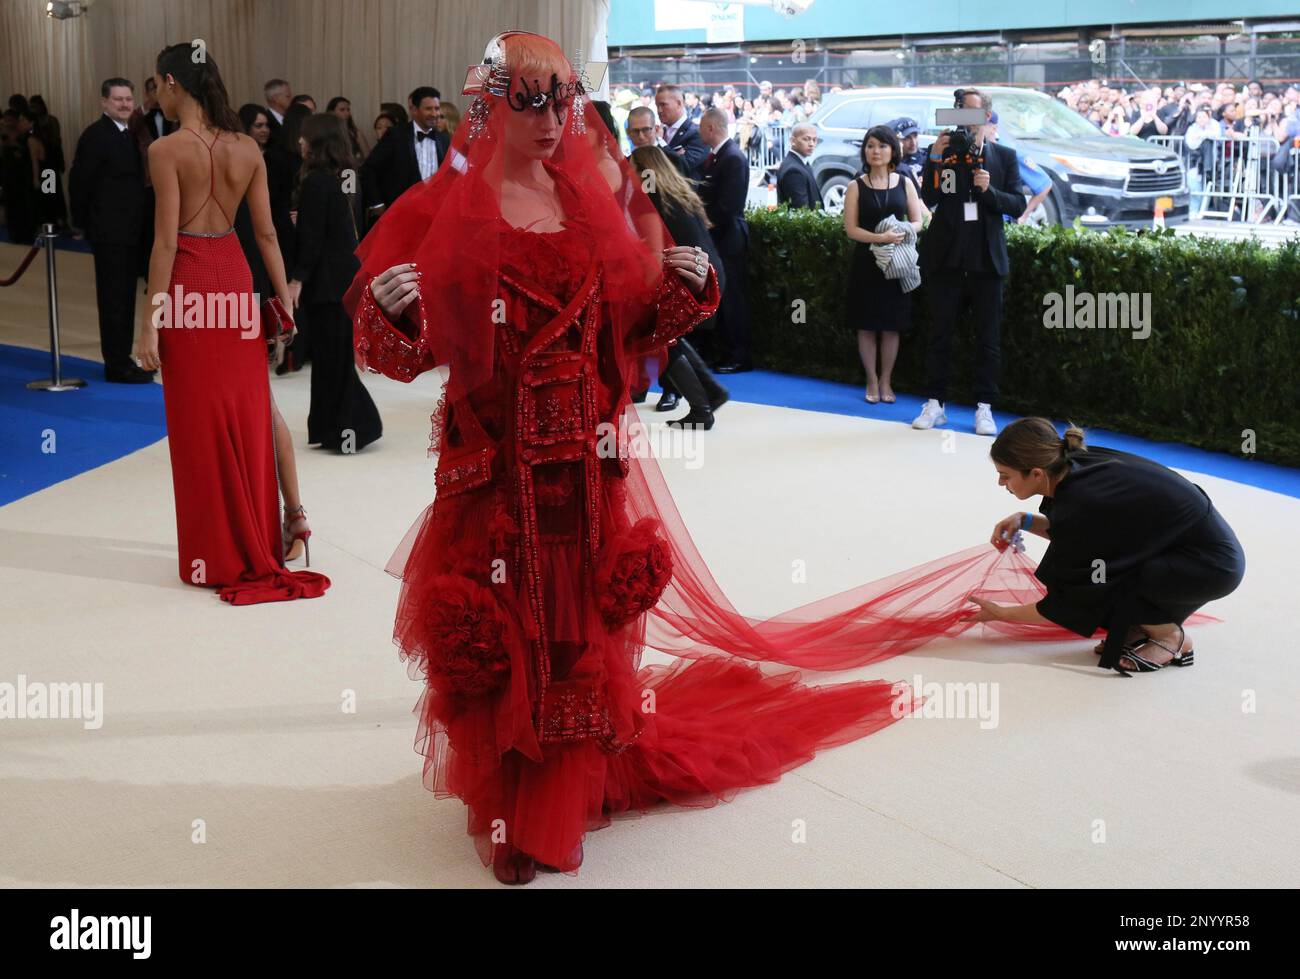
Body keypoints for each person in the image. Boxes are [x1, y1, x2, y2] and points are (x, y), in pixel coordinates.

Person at [347, 31, 926, 885]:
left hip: (586, 456)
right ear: (490, 106)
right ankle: (512, 798)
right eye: (527, 102)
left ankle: (553, 802)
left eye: (559, 100)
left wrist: (683, 292)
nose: (548, 121)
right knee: (505, 632)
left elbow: (624, 332)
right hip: (497, 465)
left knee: (578, 628)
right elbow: (410, 352)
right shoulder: (447, 209)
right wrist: (395, 317)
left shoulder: (591, 200)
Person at [133, 42, 329, 604]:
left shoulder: (168, 150)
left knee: (200, 419)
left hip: (192, 286)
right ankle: (282, 522)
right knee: (250, 406)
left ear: (173, 83)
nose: (158, 95)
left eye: (157, 85)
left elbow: (166, 242)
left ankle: (214, 550)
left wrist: (151, 321)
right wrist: (284, 300)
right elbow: (267, 233)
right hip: (236, 282)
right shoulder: (247, 146)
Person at [969, 419, 1244, 676]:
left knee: (1099, 581)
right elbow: (1090, 535)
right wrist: (1026, 520)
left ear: (1037, 473)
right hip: (1190, 552)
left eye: (1005, 475)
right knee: (1102, 569)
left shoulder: (1082, 499)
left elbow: (1065, 603)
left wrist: (1003, 614)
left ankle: (1170, 637)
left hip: (1211, 567)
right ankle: (1138, 624)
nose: (1000, 483)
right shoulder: (1070, 463)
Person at [912, 88, 1024, 437]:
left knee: (987, 338)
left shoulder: (1003, 157)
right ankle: (935, 403)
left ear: (986, 117)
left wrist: (989, 191)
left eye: (971, 113)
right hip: (946, 257)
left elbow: (1018, 205)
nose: (964, 120)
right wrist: (933, 159)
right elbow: (928, 199)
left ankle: (984, 407)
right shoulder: (942, 153)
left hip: (986, 262)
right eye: (959, 112)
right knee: (939, 334)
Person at [289, 113, 382, 452]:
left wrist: (297, 278)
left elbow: (314, 238)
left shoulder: (315, 181)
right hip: (348, 276)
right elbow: (345, 226)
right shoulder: (349, 175)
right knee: (338, 355)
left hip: (326, 283)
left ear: (317, 140)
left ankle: (353, 427)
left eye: (304, 136)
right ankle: (337, 428)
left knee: (332, 358)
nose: (300, 141)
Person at [632, 144, 729, 428]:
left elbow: (654, 253)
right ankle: (708, 395)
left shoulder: (652, 198)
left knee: (662, 338)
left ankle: (704, 402)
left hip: (691, 277)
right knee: (667, 339)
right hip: (707, 273)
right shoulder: (679, 194)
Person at [68, 78, 153, 383]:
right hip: (110, 234)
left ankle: (123, 357)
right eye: (118, 100)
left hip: (130, 233)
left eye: (128, 99)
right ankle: (116, 364)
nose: (124, 104)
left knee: (126, 297)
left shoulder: (132, 134)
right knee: (114, 299)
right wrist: (86, 226)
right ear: (104, 102)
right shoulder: (96, 136)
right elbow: (80, 183)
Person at [842, 125, 925, 405]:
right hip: (866, 262)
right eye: (870, 146)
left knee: (892, 325)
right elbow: (850, 229)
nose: (875, 151)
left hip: (897, 263)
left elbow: (918, 220)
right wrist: (880, 237)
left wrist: (901, 231)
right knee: (866, 325)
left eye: (882, 146)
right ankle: (871, 379)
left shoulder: (905, 182)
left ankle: (887, 379)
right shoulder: (856, 185)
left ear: (893, 151)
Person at [696, 106, 752, 372]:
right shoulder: (720, 157)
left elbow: (728, 205)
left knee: (732, 299)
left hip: (729, 238)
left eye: (701, 126)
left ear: (711, 128)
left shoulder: (732, 158)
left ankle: (738, 355)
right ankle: (726, 351)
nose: (698, 131)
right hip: (721, 238)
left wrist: (705, 224)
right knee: (723, 297)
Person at [361, 86, 447, 212]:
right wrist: (376, 203)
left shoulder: (443, 139)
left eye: (437, 108)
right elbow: (368, 168)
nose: (434, 114)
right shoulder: (396, 135)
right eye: (428, 109)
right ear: (414, 110)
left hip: (434, 212)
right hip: (400, 211)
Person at [654, 84, 709, 176]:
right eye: (657, 106)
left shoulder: (698, 134)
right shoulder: (659, 131)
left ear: (679, 104)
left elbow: (683, 166)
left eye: (663, 105)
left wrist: (659, 142)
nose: (659, 110)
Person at [776, 122, 820, 208]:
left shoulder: (801, 162)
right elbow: (801, 210)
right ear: (793, 141)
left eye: (814, 140)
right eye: (806, 139)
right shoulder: (793, 170)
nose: (811, 144)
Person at [327, 96, 368, 161]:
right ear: (331, 113)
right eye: (342, 110)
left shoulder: (356, 133)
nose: (347, 113)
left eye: (348, 110)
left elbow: (368, 157)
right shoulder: (325, 134)